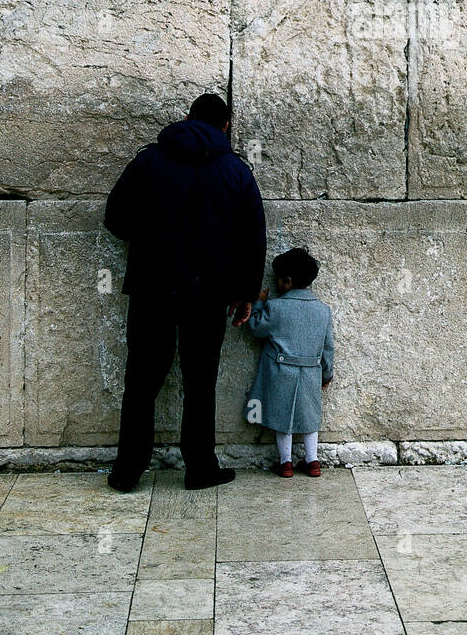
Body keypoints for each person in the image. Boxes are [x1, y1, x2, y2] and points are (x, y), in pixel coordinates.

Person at [104, 93, 266, 492]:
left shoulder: (150, 160)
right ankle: (199, 468)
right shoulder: (236, 171)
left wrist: (151, 241)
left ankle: (127, 472)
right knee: (200, 381)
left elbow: (115, 217)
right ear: (225, 126)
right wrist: (245, 293)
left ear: (188, 118)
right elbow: (253, 239)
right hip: (207, 293)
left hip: (152, 287)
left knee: (141, 380)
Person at [245, 247, 334, 478]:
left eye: (278, 281)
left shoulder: (275, 307)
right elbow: (328, 348)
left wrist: (258, 304)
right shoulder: (323, 311)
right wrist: (326, 375)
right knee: (310, 417)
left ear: (287, 280)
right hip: (310, 372)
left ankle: (285, 463)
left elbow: (256, 328)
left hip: (280, 371)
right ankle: (312, 461)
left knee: (282, 417)